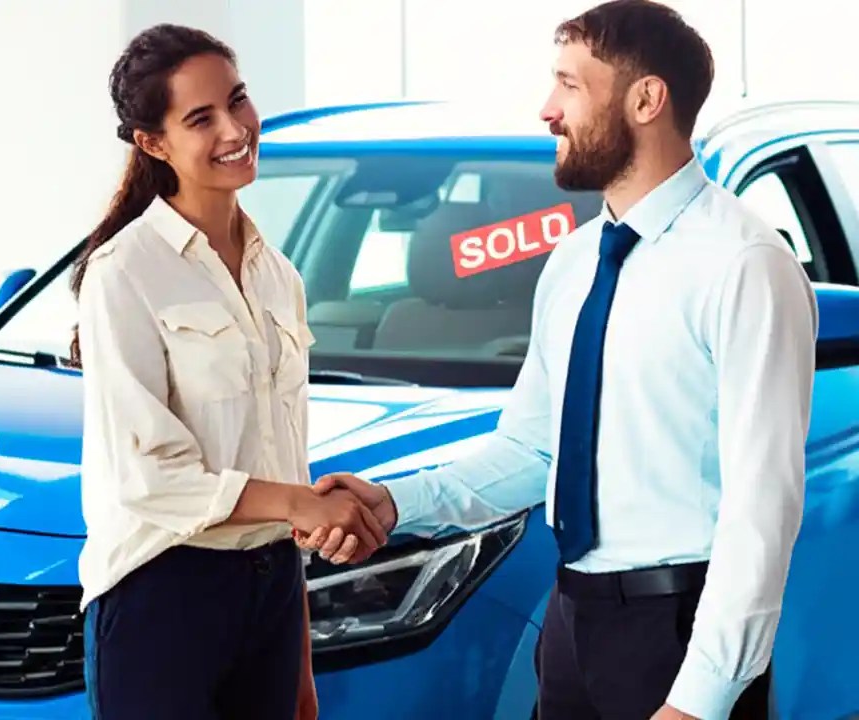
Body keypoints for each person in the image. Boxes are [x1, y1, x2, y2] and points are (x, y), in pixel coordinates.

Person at [299, 1, 818, 719]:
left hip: (676, 634)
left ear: (646, 98)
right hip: (573, 620)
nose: (548, 109)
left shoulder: (744, 263)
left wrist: (702, 697)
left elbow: (763, 509)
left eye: (570, 85)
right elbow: (532, 451)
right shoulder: (574, 263)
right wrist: (396, 503)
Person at [71, 23, 386, 720]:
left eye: (238, 101)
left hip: (271, 586)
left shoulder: (278, 274)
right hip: (161, 596)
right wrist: (304, 503)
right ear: (153, 143)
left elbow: (282, 456)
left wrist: (299, 664)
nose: (235, 128)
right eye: (201, 118)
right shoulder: (125, 273)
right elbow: (147, 476)